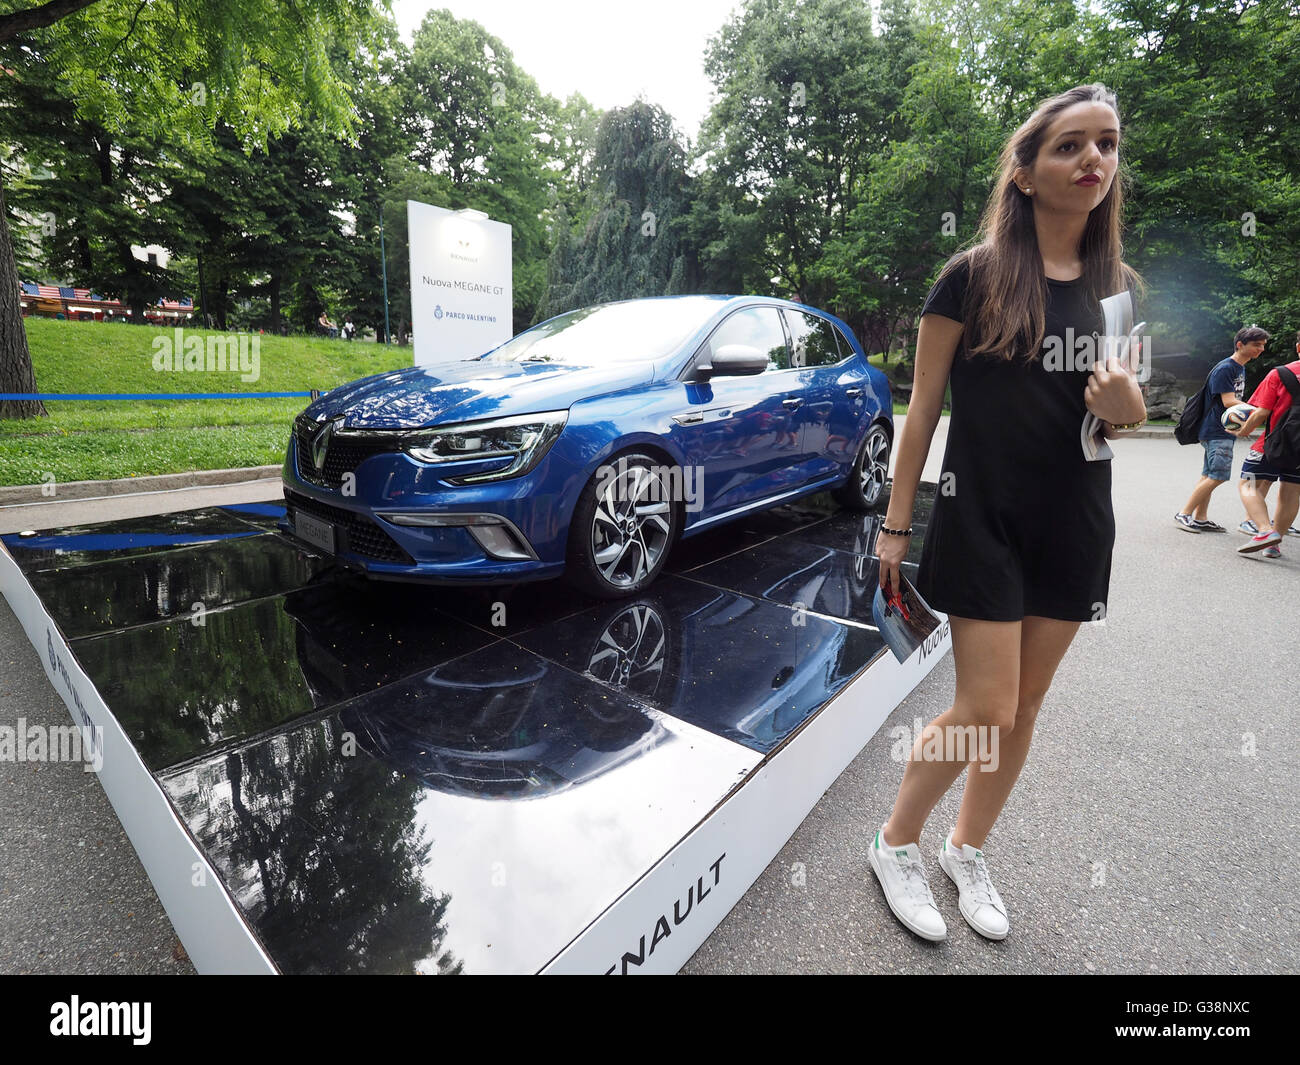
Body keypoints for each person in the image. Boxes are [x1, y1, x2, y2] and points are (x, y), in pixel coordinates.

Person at [870, 83, 1149, 943]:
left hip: (1075, 518)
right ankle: (894, 843)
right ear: (1025, 172)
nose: (1093, 160)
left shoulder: (1118, 289)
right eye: (1069, 145)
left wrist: (1131, 407)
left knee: (1025, 708)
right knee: (987, 705)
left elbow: (1118, 419)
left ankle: (967, 846)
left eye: (1105, 144)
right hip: (981, 512)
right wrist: (895, 524)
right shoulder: (974, 275)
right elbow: (922, 410)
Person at [1174, 328, 1267, 532]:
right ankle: (1184, 514)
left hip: (1220, 430)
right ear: (1240, 345)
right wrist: (1261, 410)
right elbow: (1228, 401)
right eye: (1256, 345)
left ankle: (1200, 517)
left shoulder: (1239, 367)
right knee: (1218, 475)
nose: (1261, 349)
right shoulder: (1227, 368)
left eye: (1263, 345)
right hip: (1217, 430)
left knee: (1209, 474)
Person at [1227, 333, 1300, 558]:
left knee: (1247, 484)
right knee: (1291, 491)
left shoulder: (1280, 373)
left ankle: (1266, 531)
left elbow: (1261, 411)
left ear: (1298, 347)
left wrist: (1243, 431)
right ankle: (1273, 544)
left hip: (1272, 443)